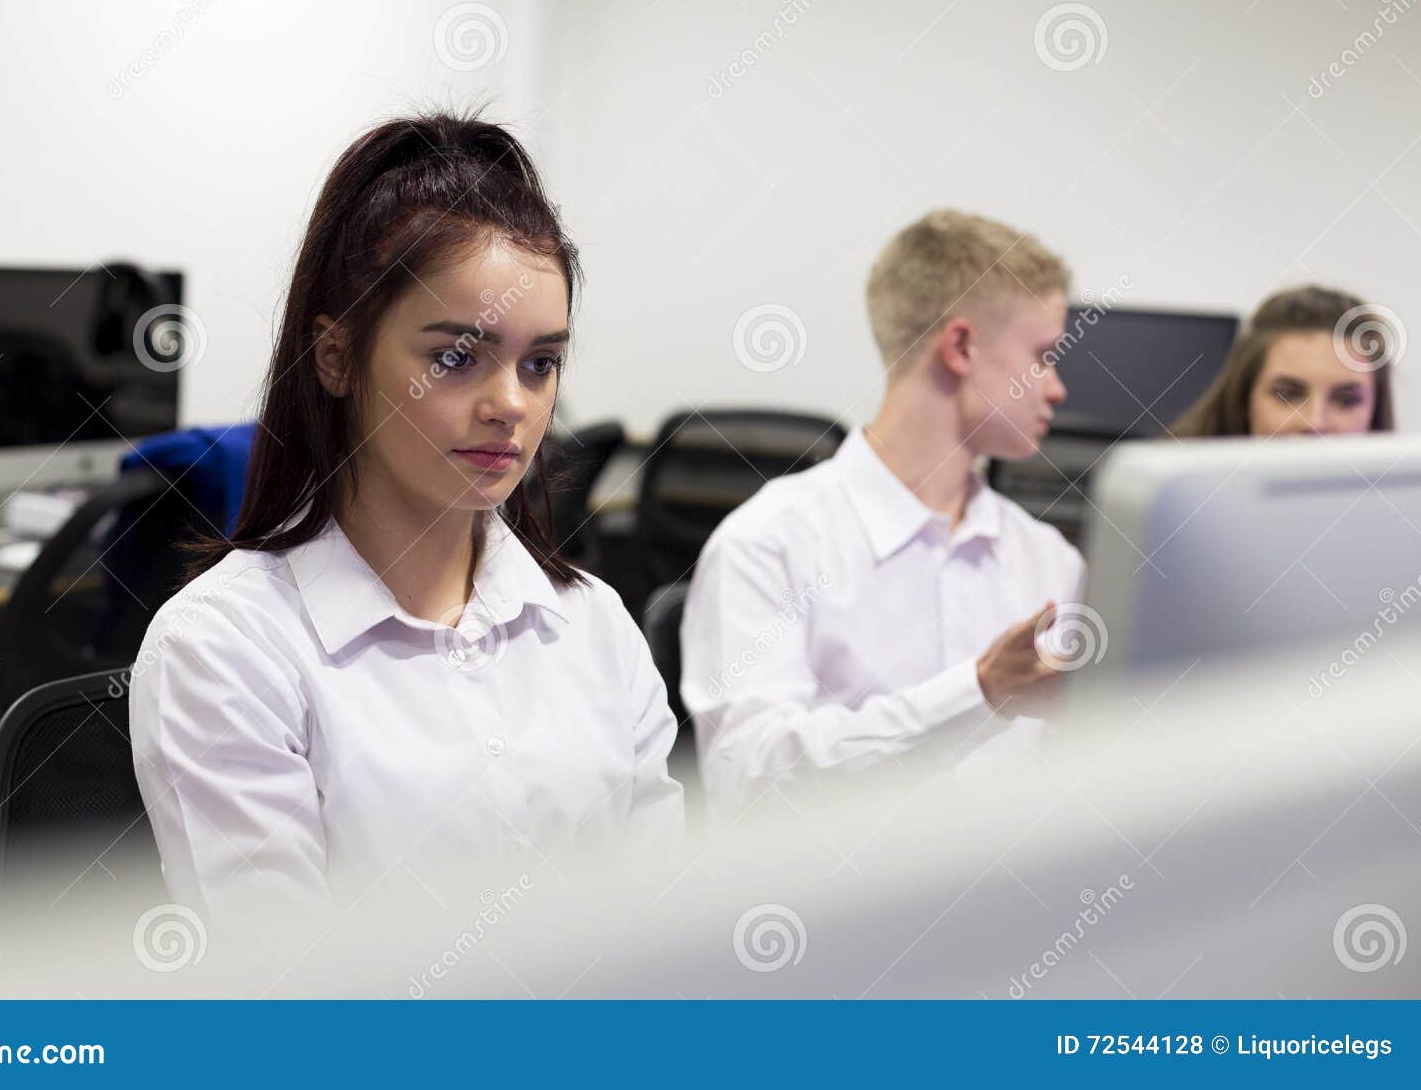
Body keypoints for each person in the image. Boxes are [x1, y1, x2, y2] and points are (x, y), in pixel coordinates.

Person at [128, 112, 683, 923]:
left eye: (541, 363)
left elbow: (663, 926)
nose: (512, 405)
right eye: (456, 357)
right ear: (337, 356)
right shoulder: (224, 649)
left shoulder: (594, 625)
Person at [680, 209, 1087, 817]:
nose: (1057, 388)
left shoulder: (1049, 559)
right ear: (962, 346)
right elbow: (750, 789)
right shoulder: (770, 542)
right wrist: (977, 694)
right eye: (1043, 354)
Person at [1173, 286, 1396, 437]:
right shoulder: (1169, 499)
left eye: (1346, 401)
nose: (1315, 423)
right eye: (1288, 395)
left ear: (1375, 417)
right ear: (1242, 400)